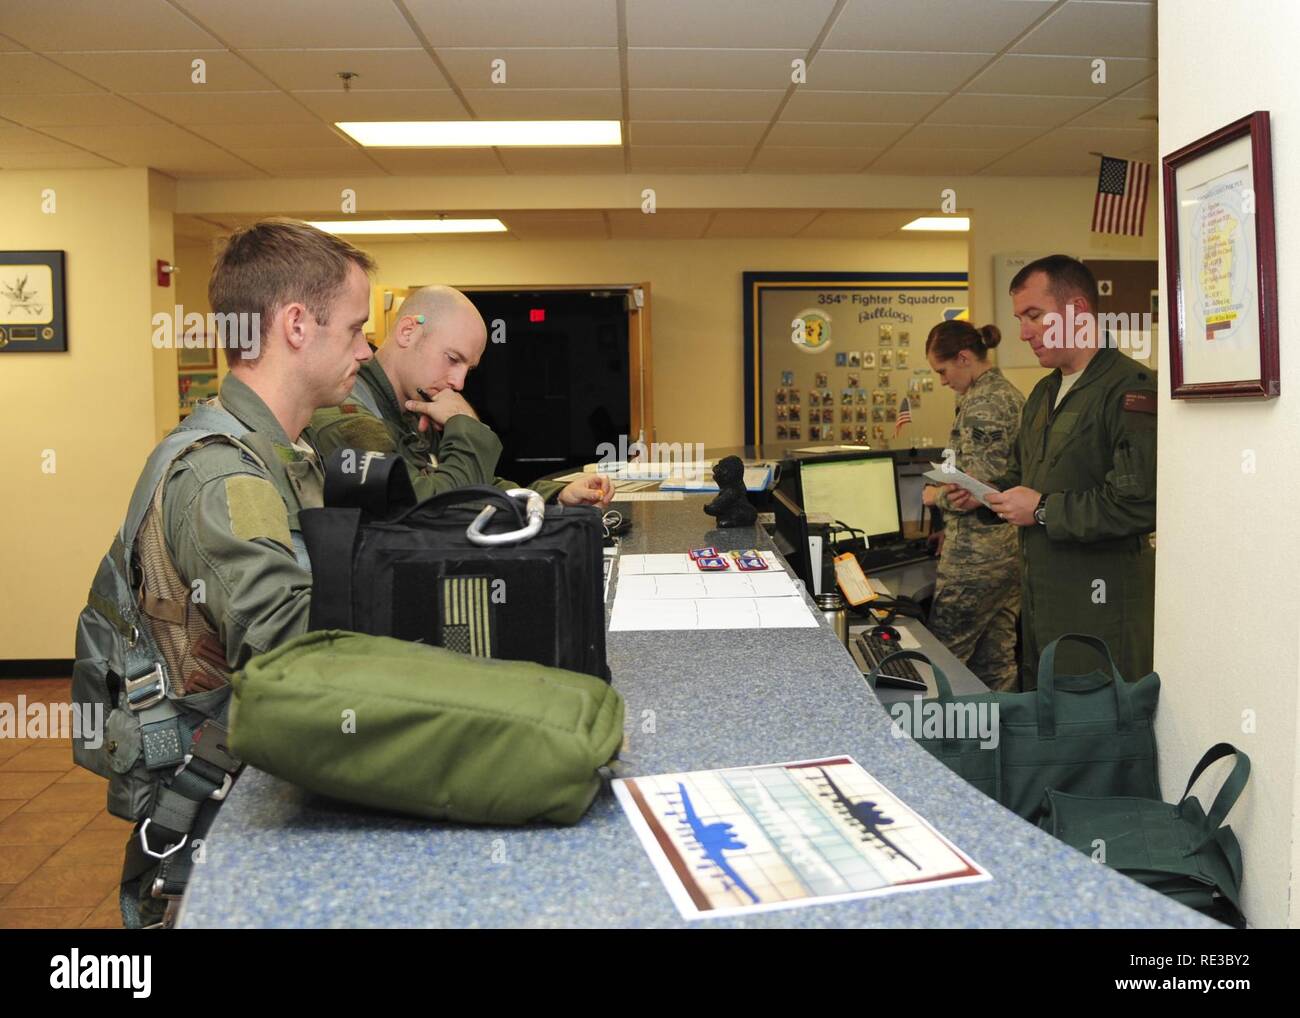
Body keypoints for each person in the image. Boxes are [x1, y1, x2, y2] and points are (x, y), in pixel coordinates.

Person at [72, 219, 377, 927]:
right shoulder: (224, 475)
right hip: (217, 800)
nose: (368, 348)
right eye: (358, 327)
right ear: (297, 324)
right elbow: (289, 648)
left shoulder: (274, 451)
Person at [945, 255, 1157, 687]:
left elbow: (1139, 506)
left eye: (1034, 316)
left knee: (1094, 735)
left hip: (1100, 616)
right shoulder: (1043, 392)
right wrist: (986, 496)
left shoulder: (1131, 388)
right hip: (1042, 610)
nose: (1023, 333)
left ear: (1077, 311)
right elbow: (1023, 479)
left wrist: (1042, 510)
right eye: (1021, 318)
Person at [306, 285, 612, 509]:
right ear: (408, 332)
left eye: (469, 368)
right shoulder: (348, 417)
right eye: (453, 359)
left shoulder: (416, 407)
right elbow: (431, 510)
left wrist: (552, 496)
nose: (459, 381)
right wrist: (465, 426)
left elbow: (471, 485)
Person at [922, 320, 1025, 691]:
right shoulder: (1005, 393)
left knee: (941, 665)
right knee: (995, 662)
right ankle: (1000, 740)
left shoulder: (985, 405)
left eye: (943, 370)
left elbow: (975, 492)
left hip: (977, 557)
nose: (943, 380)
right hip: (1006, 550)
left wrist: (936, 496)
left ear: (964, 358)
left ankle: (935, 747)